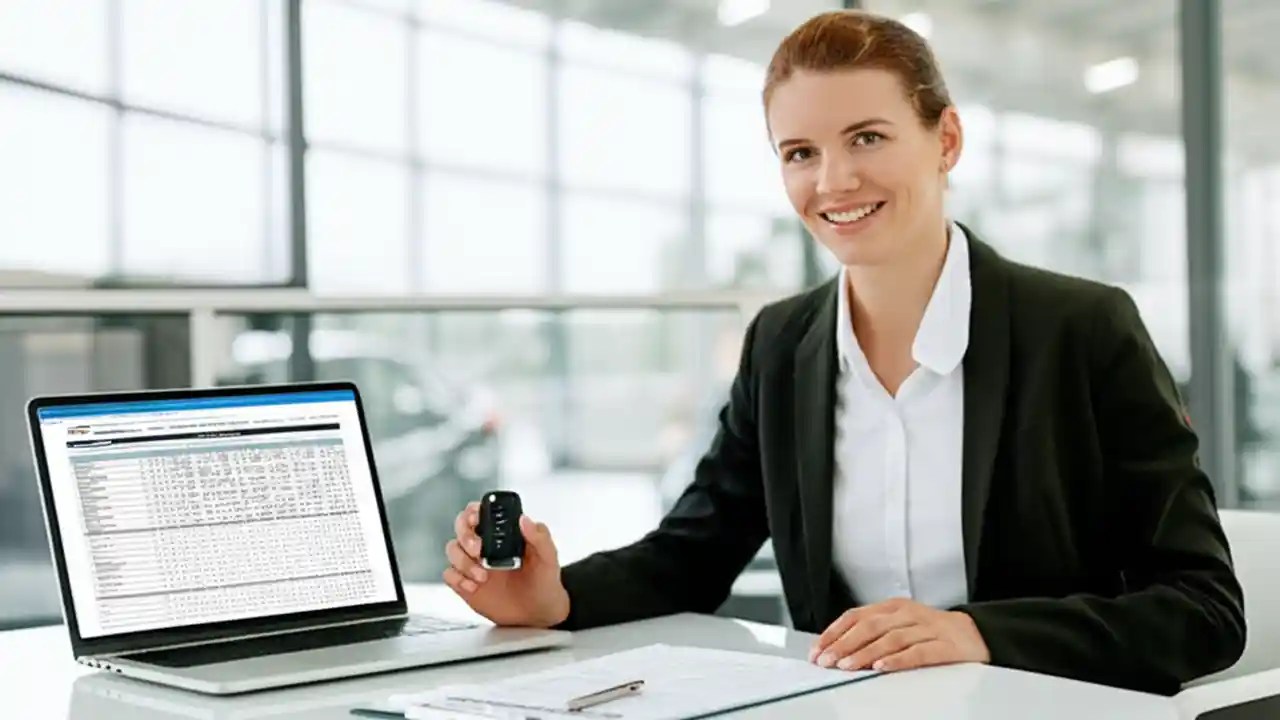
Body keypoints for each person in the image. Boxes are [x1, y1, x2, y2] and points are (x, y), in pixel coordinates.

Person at [441, 10, 1245, 695]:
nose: (834, 181)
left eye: (867, 137)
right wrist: (552, 598)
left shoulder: (1082, 329)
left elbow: (1204, 610)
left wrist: (981, 634)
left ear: (947, 139)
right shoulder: (783, 346)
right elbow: (692, 554)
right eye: (800, 152)